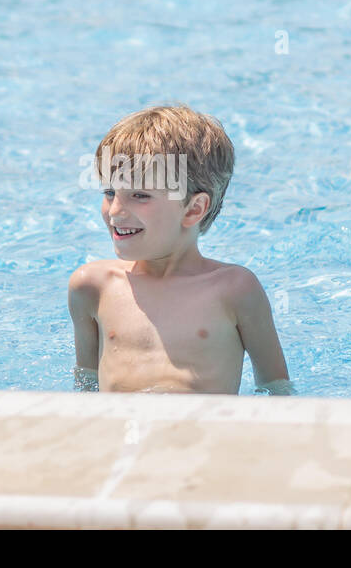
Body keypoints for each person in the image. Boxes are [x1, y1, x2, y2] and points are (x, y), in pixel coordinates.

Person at [67, 105, 294, 395]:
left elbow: (276, 390)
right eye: (110, 192)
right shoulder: (92, 287)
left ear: (194, 209)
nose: (116, 211)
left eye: (139, 195)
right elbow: (85, 387)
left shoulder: (234, 290)